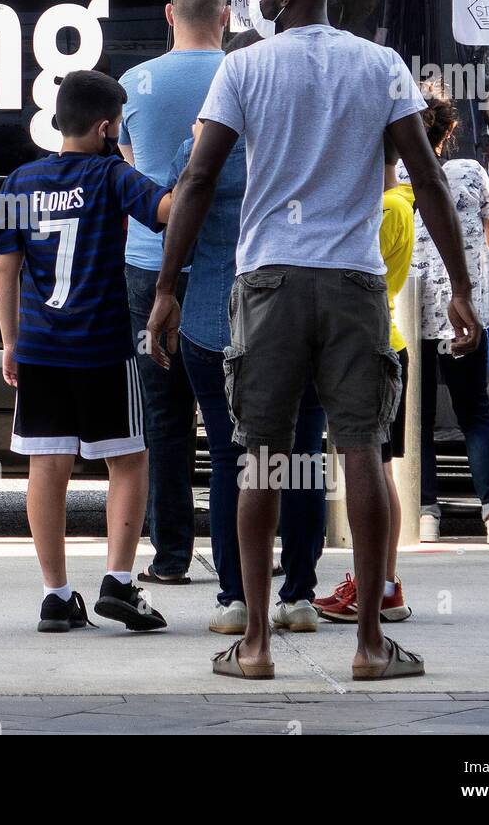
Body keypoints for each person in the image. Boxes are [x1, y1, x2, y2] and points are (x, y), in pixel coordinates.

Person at [147, 0, 480, 681]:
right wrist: (458, 285)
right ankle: (367, 645)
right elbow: (424, 176)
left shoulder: (244, 67)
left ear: (276, 0)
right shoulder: (380, 65)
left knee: (260, 455)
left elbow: (198, 178)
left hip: (268, 282)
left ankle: (257, 644)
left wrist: (168, 286)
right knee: (358, 449)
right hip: (354, 282)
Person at [0, 69, 174, 633]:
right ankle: (119, 583)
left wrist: (10, 342)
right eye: (117, 128)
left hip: (41, 350)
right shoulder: (111, 175)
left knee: (47, 467)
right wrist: (197, 161)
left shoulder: (17, 183)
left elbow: (4, 269)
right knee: (129, 461)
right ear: (103, 127)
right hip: (103, 348)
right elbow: (167, 211)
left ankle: (55, 594)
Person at [167, 119, 327, 635]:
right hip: (302, 316)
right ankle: (299, 596)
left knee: (229, 460)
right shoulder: (306, 141)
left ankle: (234, 600)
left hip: (214, 318)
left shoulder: (198, 147)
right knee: (300, 459)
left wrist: (166, 290)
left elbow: (180, 219)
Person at [117, 0, 229, 585]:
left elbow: (136, 182)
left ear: (168, 14)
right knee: (233, 415)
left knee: (163, 419)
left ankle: (169, 557)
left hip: (146, 266)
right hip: (224, 265)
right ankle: (240, 553)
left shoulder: (134, 84)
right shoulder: (245, 75)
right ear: (227, 15)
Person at [402, 87, 489, 544]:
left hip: (413, 312)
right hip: (462, 310)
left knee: (420, 417)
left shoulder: (396, 176)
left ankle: (426, 514)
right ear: (451, 129)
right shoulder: (471, 172)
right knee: (475, 412)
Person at [316, 135, 416, 624]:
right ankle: (376, 582)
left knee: (374, 471)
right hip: (375, 340)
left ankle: (382, 585)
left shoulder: (388, 208)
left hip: (374, 342)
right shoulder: (390, 203)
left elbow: (350, 266)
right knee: (375, 469)